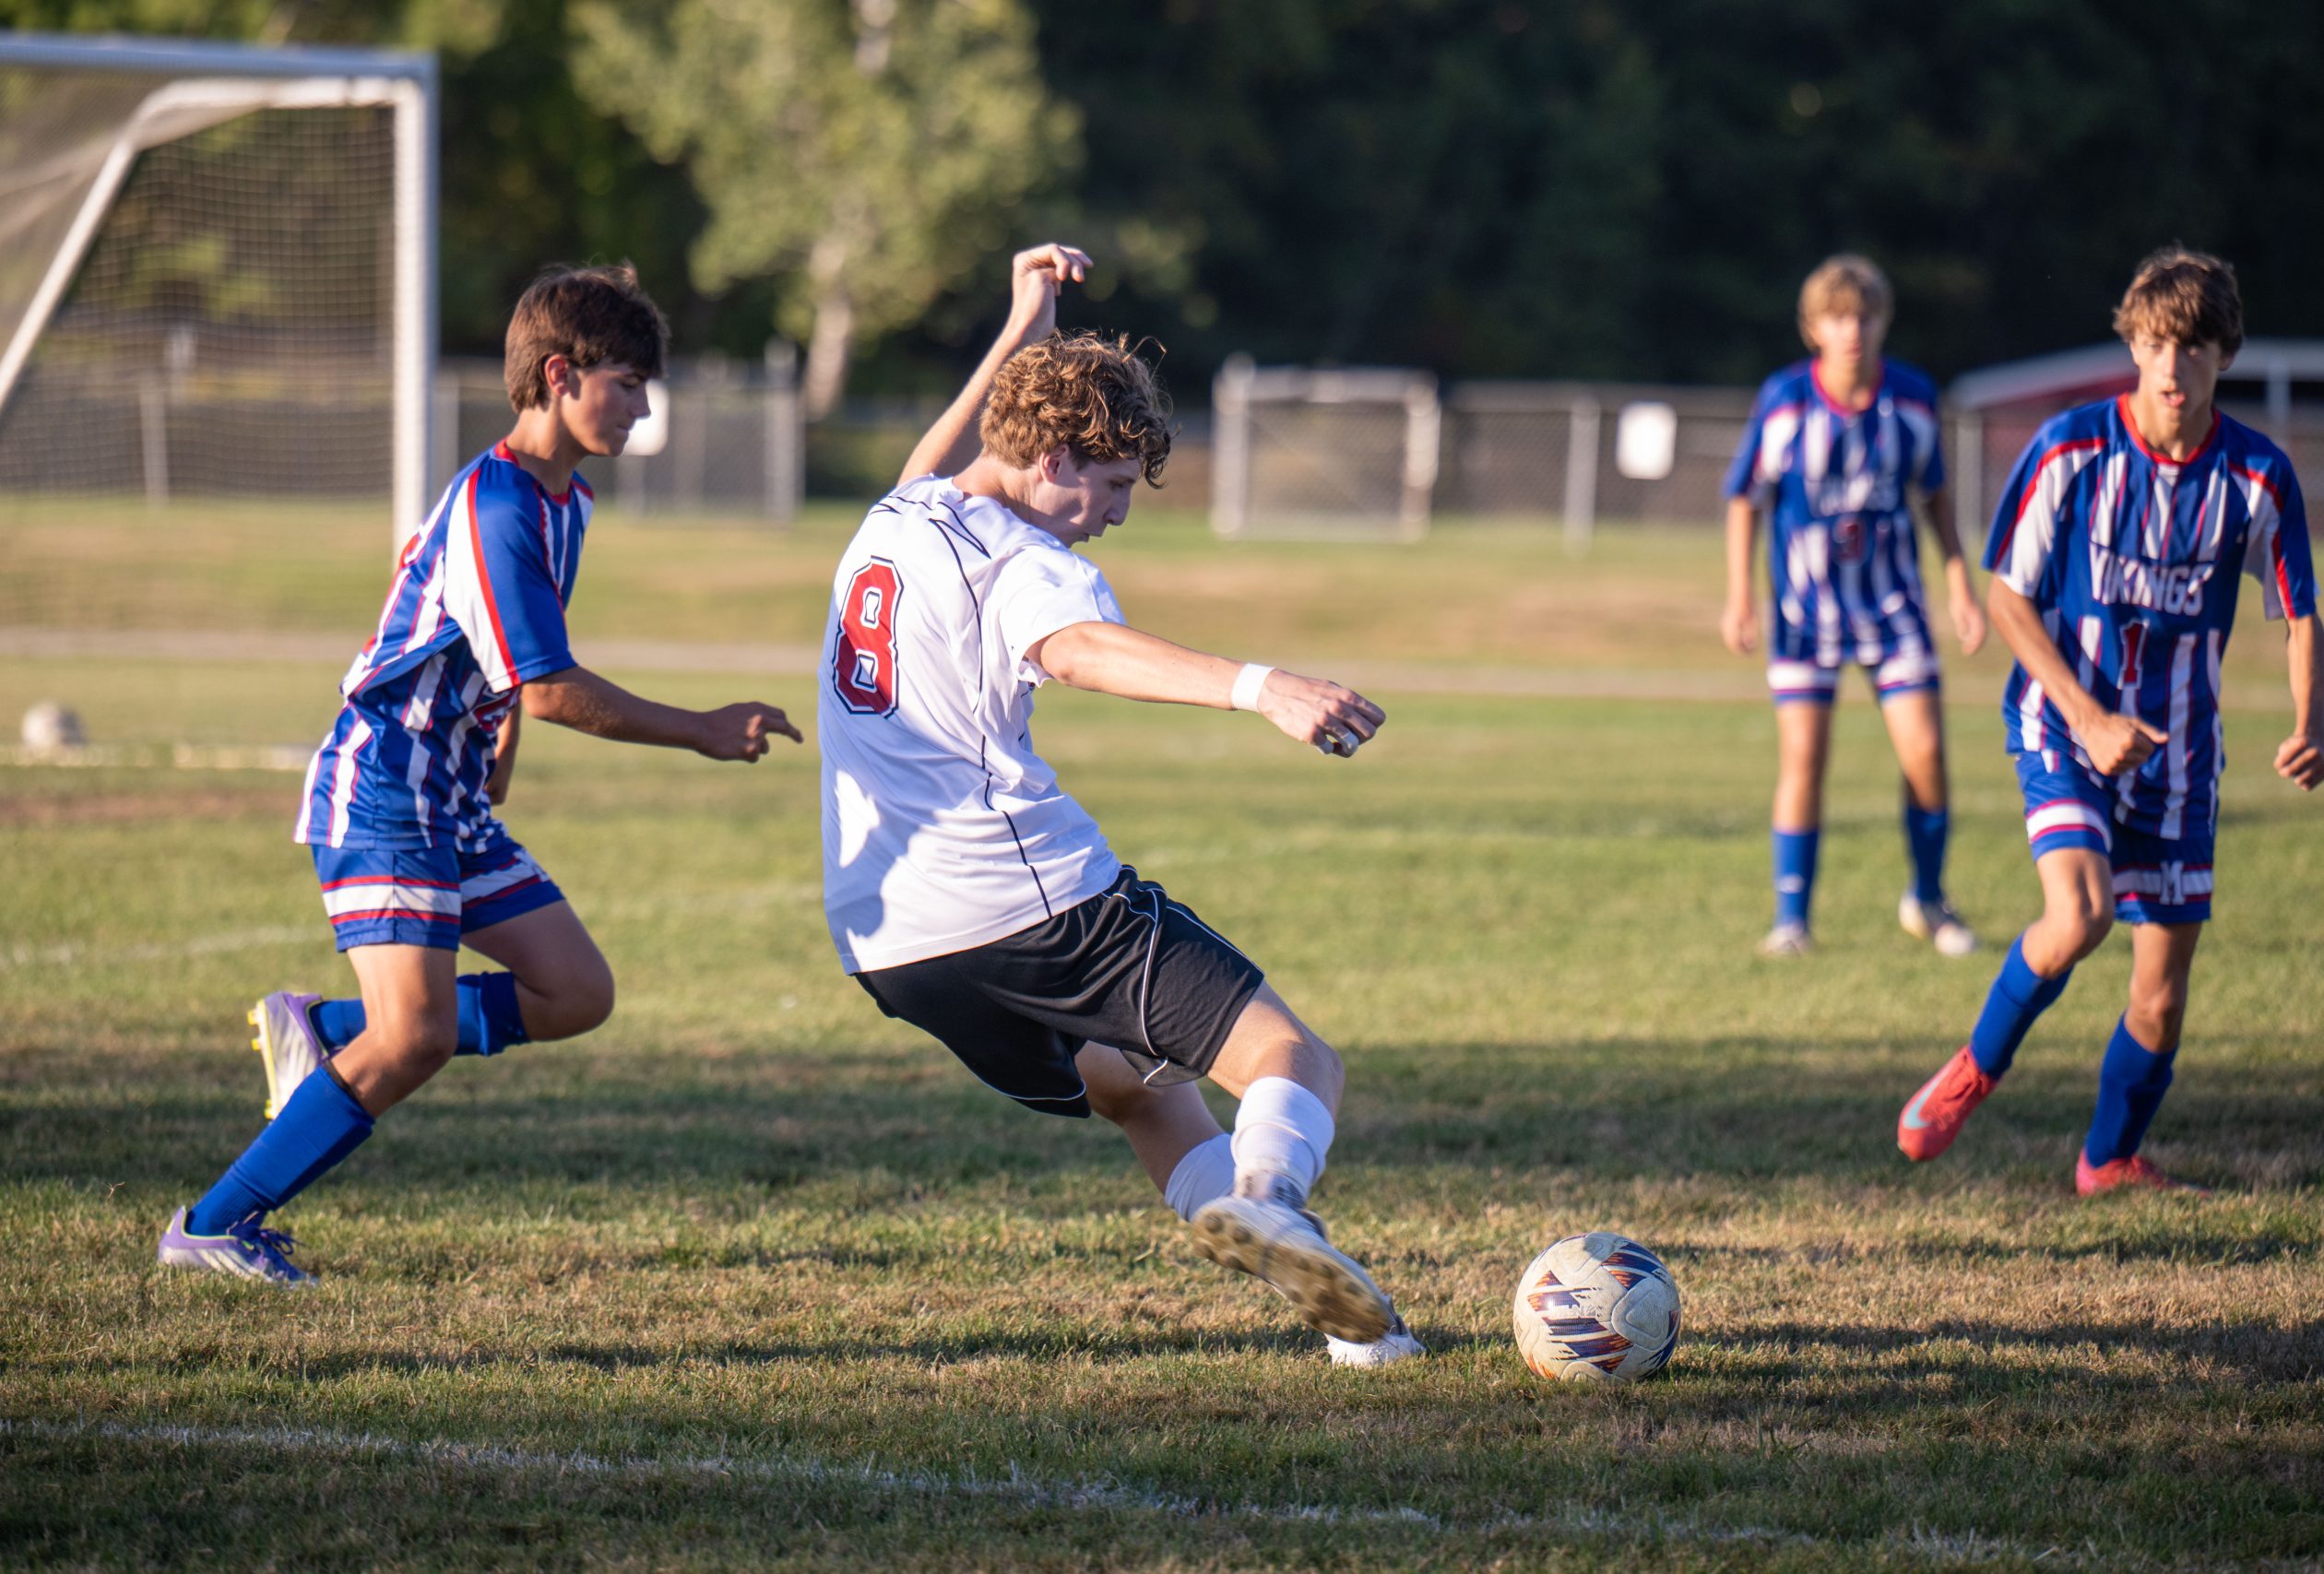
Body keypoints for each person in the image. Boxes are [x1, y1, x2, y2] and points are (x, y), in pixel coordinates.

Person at [819, 243, 1417, 1366]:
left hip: (888, 940)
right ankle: (1273, 1198)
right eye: (1107, 490)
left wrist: (1024, 321)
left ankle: (1356, 1331)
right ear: (1050, 462)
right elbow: (1080, 648)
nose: (1107, 518)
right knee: (1294, 1060)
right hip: (1025, 902)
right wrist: (1261, 686)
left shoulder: (898, 517)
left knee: (1140, 1094)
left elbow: (950, 443)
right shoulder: (1025, 554)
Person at [158, 265, 800, 1283]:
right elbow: (546, 683)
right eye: (628, 383)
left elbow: (500, 660)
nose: (641, 406)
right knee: (409, 1039)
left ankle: (319, 1028)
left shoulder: (563, 501)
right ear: (560, 374)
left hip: (448, 791)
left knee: (573, 991)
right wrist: (700, 729)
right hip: (387, 789)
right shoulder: (499, 508)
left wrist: (497, 743)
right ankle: (213, 1224)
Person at [1896, 247, 2324, 1193]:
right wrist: (2086, 716)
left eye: (2195, 349)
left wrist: (2311, 721)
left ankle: (2108, 1159)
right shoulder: (2070, 450)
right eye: (2155, 345)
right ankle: (1975, 1067)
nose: (2172, 369)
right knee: (2079, 913)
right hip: (2063, 723)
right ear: (2131, 345)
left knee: (2160, 998)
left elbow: (2301, 617)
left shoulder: (2255, 478)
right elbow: (2009, 601)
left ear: (2226, 356)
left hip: (2177, 760)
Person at [1722, 254, 1988, 958]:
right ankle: (1791, 919)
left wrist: (1960, 582)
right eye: (1837, 318)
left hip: (1893, 608)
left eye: (1865, 316)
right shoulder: (1784, 401)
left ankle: (1928, 899)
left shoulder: (1913, 398)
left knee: (1926, 751)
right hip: (1805, 616)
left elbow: (1934, 494)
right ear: (1813, 329)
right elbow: (1744, 497)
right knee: (1804, 757)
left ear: (1882, 323)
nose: (1853, 331)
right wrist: (1740, 596)